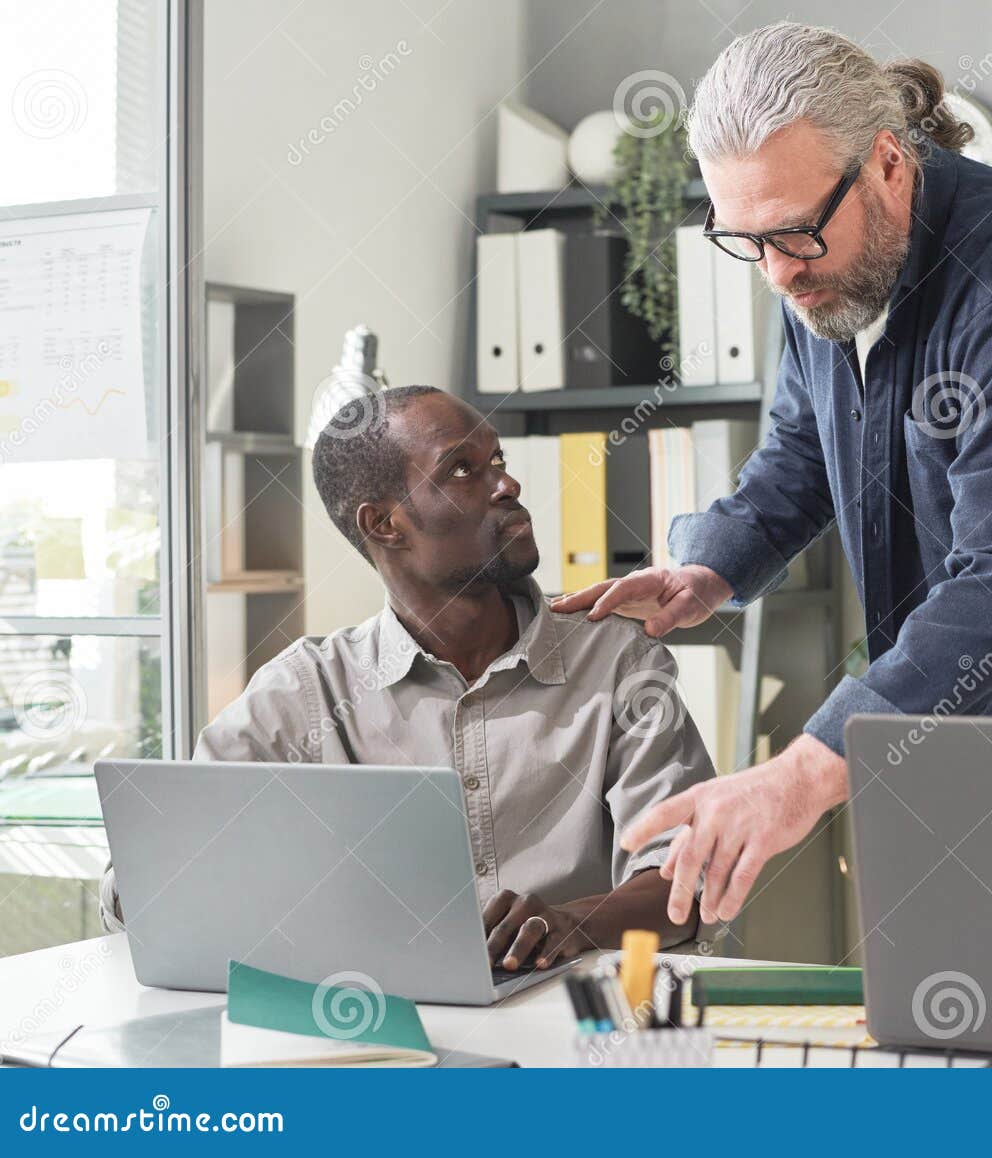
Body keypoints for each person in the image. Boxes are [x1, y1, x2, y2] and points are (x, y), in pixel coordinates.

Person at [555, 22, 992, 928]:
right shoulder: (814, 259)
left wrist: (802, 772)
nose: (779, 275)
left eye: (793, 235)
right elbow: (801, 452)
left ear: (886, 165)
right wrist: (704, 570)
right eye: (745, 242)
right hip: (951, 718)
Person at [102, 386, 710, 972]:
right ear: (384, 525)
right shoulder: (305, 691)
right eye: (463, 470)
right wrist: (153, 885)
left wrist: (574, 922)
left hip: (575, 1028)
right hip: (370, 1029)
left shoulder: (616, 660)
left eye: (496, 458)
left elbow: (686, 876)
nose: (508, 483)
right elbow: (156, 870)